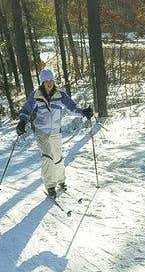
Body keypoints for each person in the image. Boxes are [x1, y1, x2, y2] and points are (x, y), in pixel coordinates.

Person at [17, 68, 93, 198]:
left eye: (51, 80)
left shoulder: (60, 95)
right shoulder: (35, 95)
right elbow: (26, 109)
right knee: (47, 157)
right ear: (42, 82)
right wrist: (22, 122)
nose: (49, 83)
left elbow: (72, 107)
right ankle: (50, 185)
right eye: (46, 81)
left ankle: (61, 180)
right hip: (41, 131)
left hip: (56, 132)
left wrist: (83, 112)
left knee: (58, 157)